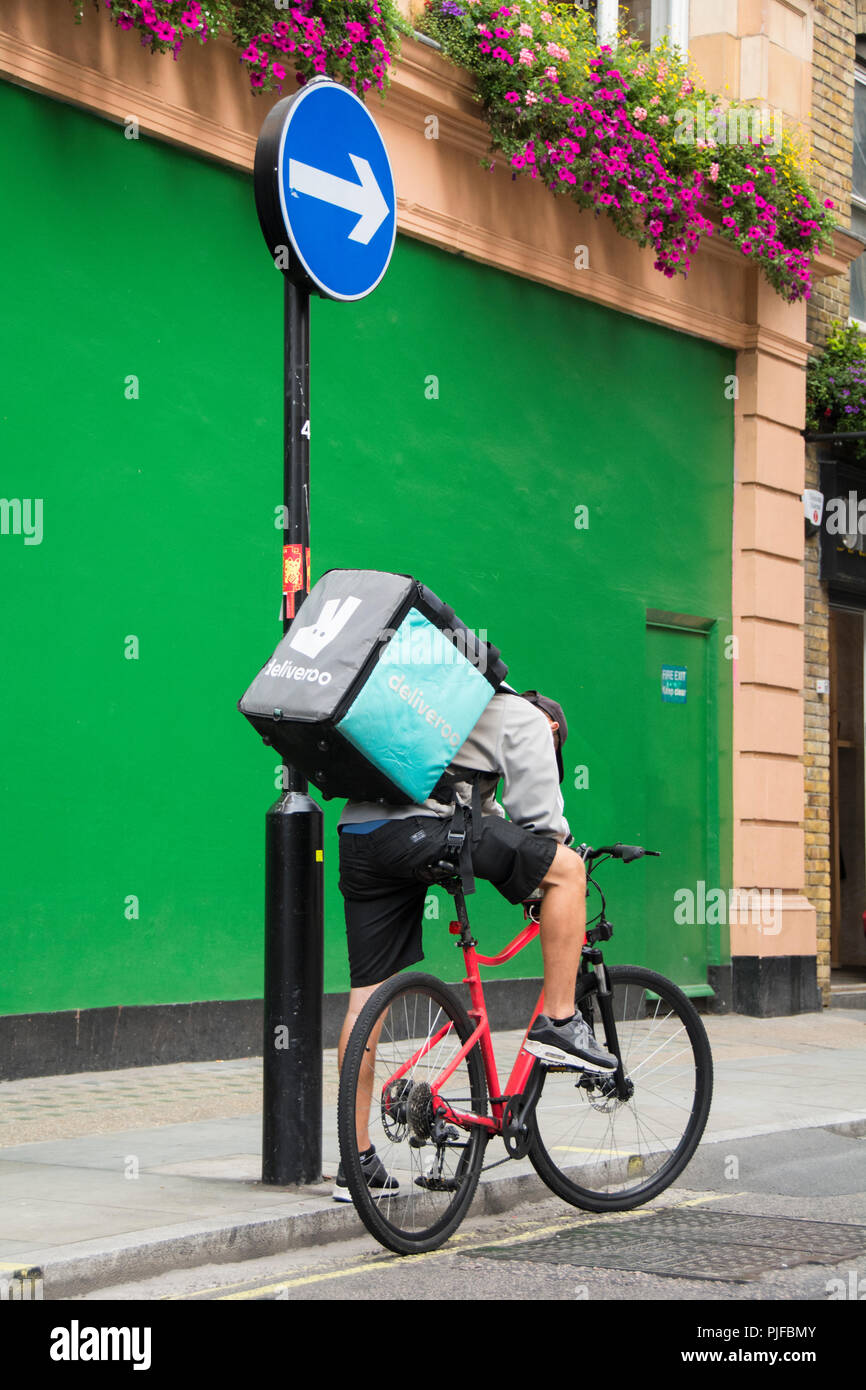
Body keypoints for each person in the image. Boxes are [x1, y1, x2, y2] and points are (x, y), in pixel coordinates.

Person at [332, 686, 616, 1202]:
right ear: (554, 731)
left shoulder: (453, 704)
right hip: (419, 831)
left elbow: (485, 816)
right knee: (568, 873)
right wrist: (552, 879)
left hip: (360, 835)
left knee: (365, 1001)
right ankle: (559, 1022)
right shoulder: (526, 719)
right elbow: (540, 826)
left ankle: (357, 1165)